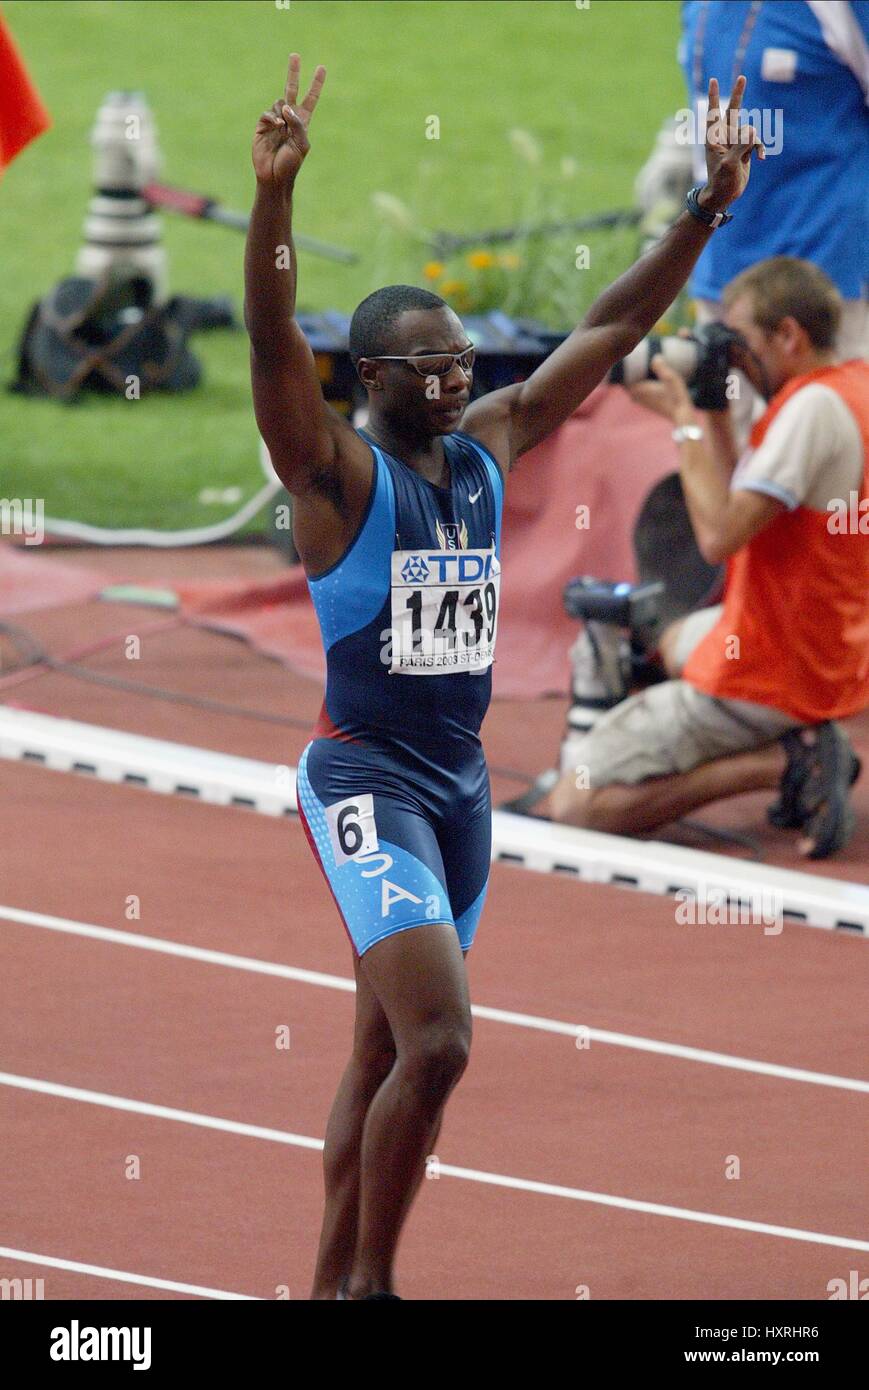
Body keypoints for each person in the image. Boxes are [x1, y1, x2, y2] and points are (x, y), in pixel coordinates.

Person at [243, 53, 763, 1301]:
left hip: (461, 786)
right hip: (366, 778)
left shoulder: (489, 443)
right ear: (371, 382)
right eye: (429, 362)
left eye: (465, 352)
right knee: (442, 1040)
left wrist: (703, 208)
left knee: (382, 1058)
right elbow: (270, 342)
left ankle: (329, 1287)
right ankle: (371, 1287)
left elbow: (612, 328)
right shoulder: (332, 482)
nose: (458, 372)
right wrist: (273, 203)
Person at [546, 256, 869, 858]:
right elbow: (740, 500)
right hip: (831, 649)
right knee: (669, 639)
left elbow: (719, 536)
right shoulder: (849, 390)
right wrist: (712, 417)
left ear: (788, 336)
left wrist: (684, 426)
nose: (727, 356)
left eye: (736, 341)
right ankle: (785, 740)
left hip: (772, 669)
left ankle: (782, 762)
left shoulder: (808, 411)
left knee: (578, 803)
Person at [680, 0, 869, 446]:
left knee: (829, 459)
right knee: (735, 462)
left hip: (823, 282)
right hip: (724, 273)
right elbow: (704, 102)